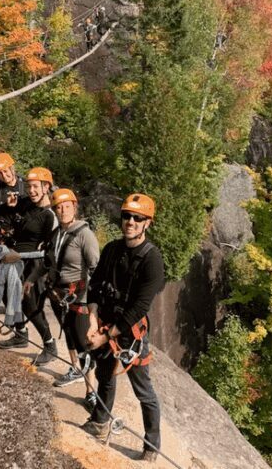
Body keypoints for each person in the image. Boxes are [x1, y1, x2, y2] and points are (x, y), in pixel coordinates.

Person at [82, 193, 164, 463]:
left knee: (144, 391)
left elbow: (140, 307)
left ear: (147, 223)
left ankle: (152, 446)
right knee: (105, 376)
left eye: (137, 218)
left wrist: (106, 336)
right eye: (127, 216)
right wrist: (92, 320)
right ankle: (99, 421)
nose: (130, 221)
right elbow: (94, 285)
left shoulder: (152, 260)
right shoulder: (112, 250)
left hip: (129, 334)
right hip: (104, 322)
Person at [0, 167, 59, 366]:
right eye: (29, 187)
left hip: (34, 264)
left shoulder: (50, 215)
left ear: (46, 187)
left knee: (30, 304)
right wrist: (10, 207)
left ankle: (49, 344)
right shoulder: (25, 204)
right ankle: (21, 333)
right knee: (7, 294)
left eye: (35, 187)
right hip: (15, 259)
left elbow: (49, 250)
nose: (31, 191)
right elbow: (2, 214)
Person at [46, 189, 100, 411]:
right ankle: (75, 369)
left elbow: (95, 267)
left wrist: (94, 302)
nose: (62, 210)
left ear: (75, 207)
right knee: (68, 334)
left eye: (67, 206)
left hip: (79, 295)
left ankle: (91, 391)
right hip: (59, 294)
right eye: (58, 207)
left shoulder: (84, 234)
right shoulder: (57, 233)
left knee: (83, 343)